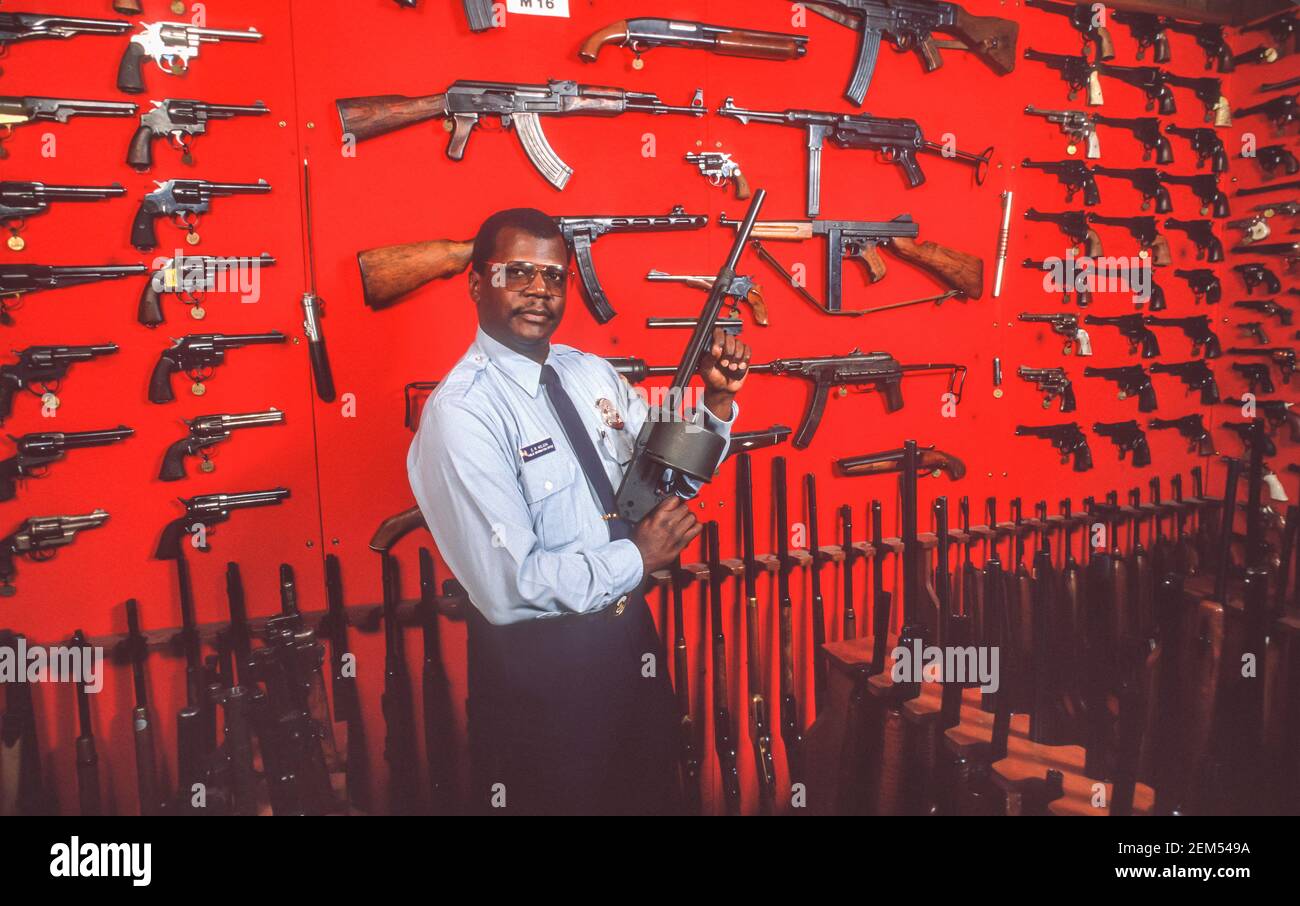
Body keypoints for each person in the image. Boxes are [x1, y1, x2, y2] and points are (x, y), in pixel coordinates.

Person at [407, 208, 752, 815]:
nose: (540, 291)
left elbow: (659, 477)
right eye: (518, 273)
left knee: (654, 796)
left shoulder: (589, 371)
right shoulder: (462, 413)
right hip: (539, 672)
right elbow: (509, 587)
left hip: (629, 641)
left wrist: (715, 400)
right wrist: (639, 556)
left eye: (553, 275)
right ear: (476, 283)